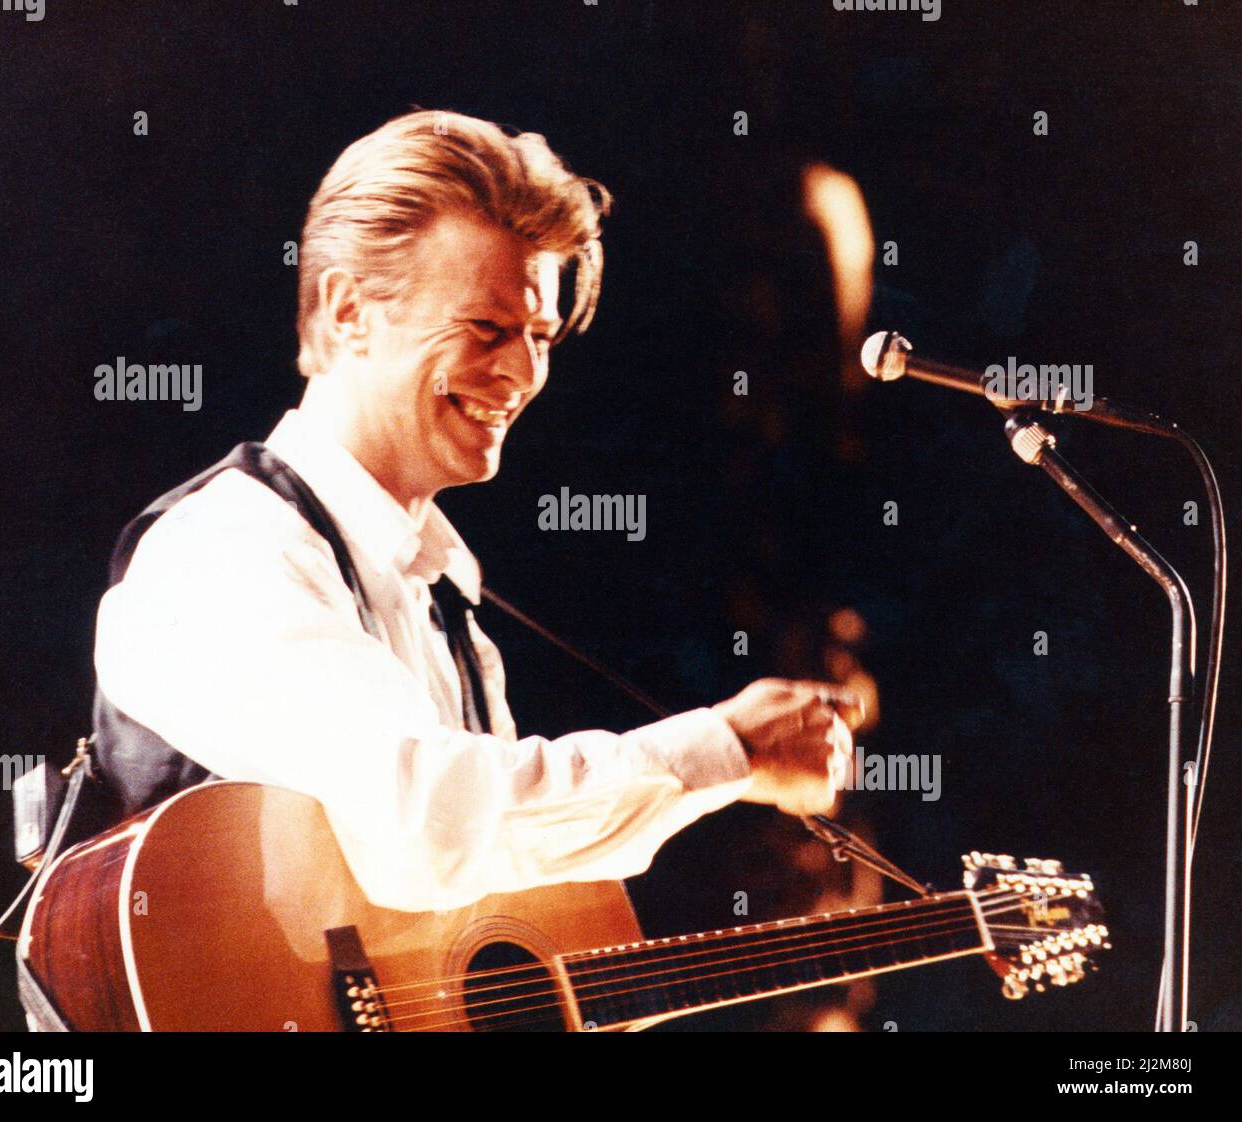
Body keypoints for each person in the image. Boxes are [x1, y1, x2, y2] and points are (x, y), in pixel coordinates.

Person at [91, 109, 861, 913]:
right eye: (488, 328)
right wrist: (725, 750)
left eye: (541, 334)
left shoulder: (438, 573)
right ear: (348, 309)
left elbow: (481, 894)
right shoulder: (227, 551)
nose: (523, 374)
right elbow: (429, 825)